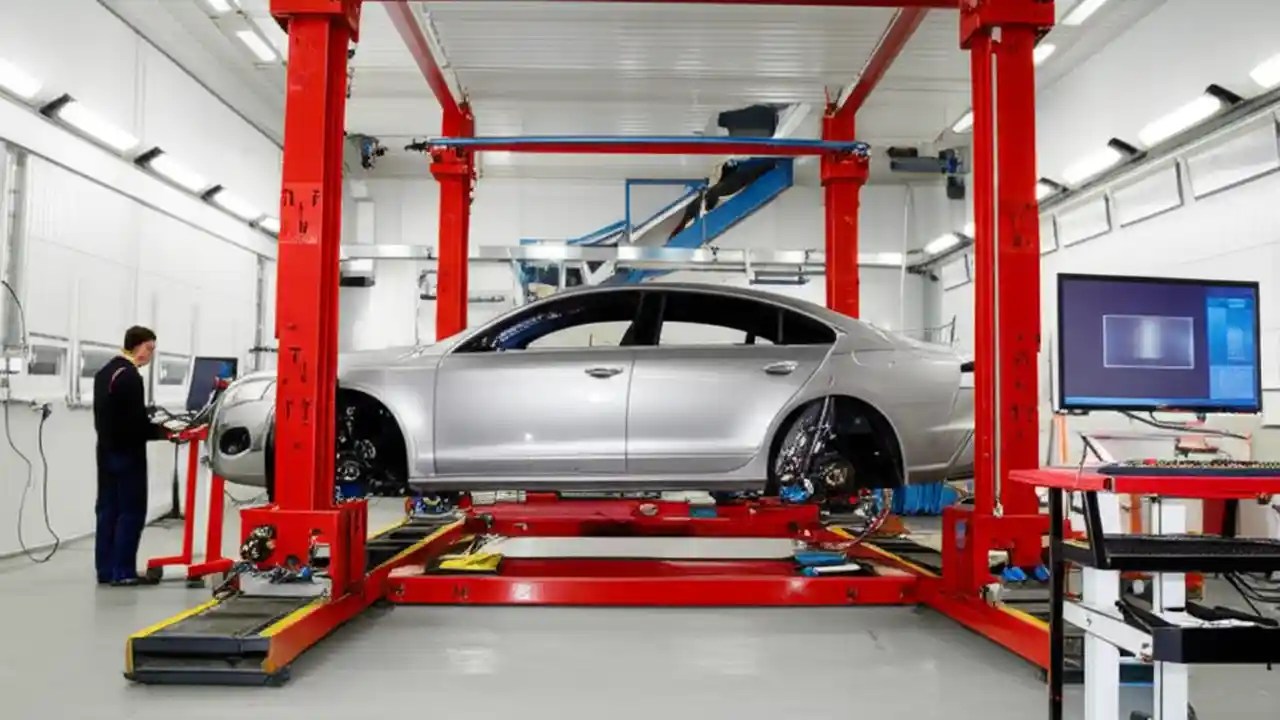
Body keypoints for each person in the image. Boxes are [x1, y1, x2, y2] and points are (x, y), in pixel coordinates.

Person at [93, 326, 167, 586]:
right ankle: (123, 572)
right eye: (149, 349)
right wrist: (164, 432)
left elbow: (114, 415)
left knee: (107, 510)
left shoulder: (104, 373)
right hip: (128, 453)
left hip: (105, 451)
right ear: (136, 346)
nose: (150, 355)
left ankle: (106, 570)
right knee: (131, 511)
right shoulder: (131, 376)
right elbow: (136, 424)